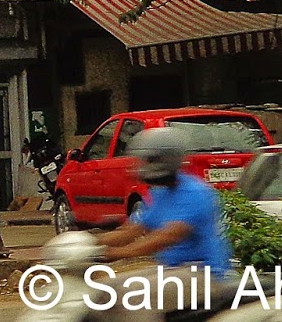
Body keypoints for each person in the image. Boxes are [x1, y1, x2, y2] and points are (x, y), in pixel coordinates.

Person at [96, 127, 232, 321]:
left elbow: (165, 238)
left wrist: (112, 254)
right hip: (172, 270)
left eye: (146, 160)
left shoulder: (195, 192)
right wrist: (86, 244)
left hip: (205, 274)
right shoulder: (160, 193)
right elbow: (133, 230)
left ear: (164, 160)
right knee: (106, 290)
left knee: (133, 295)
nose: (139, 165)